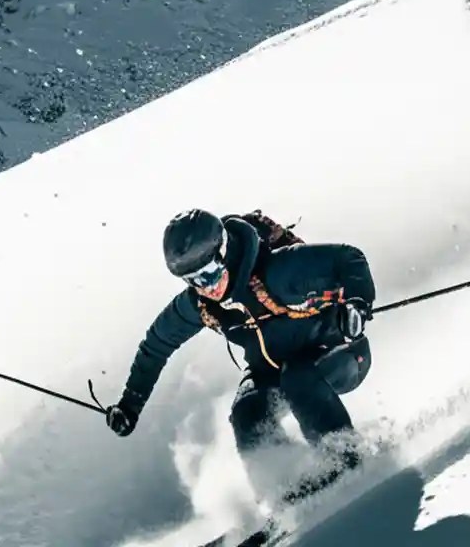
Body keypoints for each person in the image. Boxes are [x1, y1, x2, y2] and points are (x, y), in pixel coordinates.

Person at [104, 208, 376, 496]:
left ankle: (346, 458)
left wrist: (357, 305)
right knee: (247, 413)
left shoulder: (279, 271)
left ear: (224, 253)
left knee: (299, 378)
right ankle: (285, 490)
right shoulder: (201, 304)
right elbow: (156, 346)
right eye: (192, 280)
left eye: (208, 274)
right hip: (272, 372)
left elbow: (349, 258)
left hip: (338, 353)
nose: (206, 288)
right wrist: (129, 405)